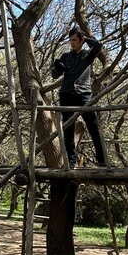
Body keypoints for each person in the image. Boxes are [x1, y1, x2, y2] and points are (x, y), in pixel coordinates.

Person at [52, 25, 107, 168]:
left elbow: (98, 45)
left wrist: (85, 37)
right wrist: (57, 67)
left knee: (93, 126)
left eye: (75, 40)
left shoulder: (88, 55)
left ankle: (102, 160)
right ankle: (71, 161)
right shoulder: (65, 56)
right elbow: (55, 74)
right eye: (71, 40)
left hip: (83, 94)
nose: (72, 42)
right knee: (68, 129)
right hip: (66, 94)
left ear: (81, 40)